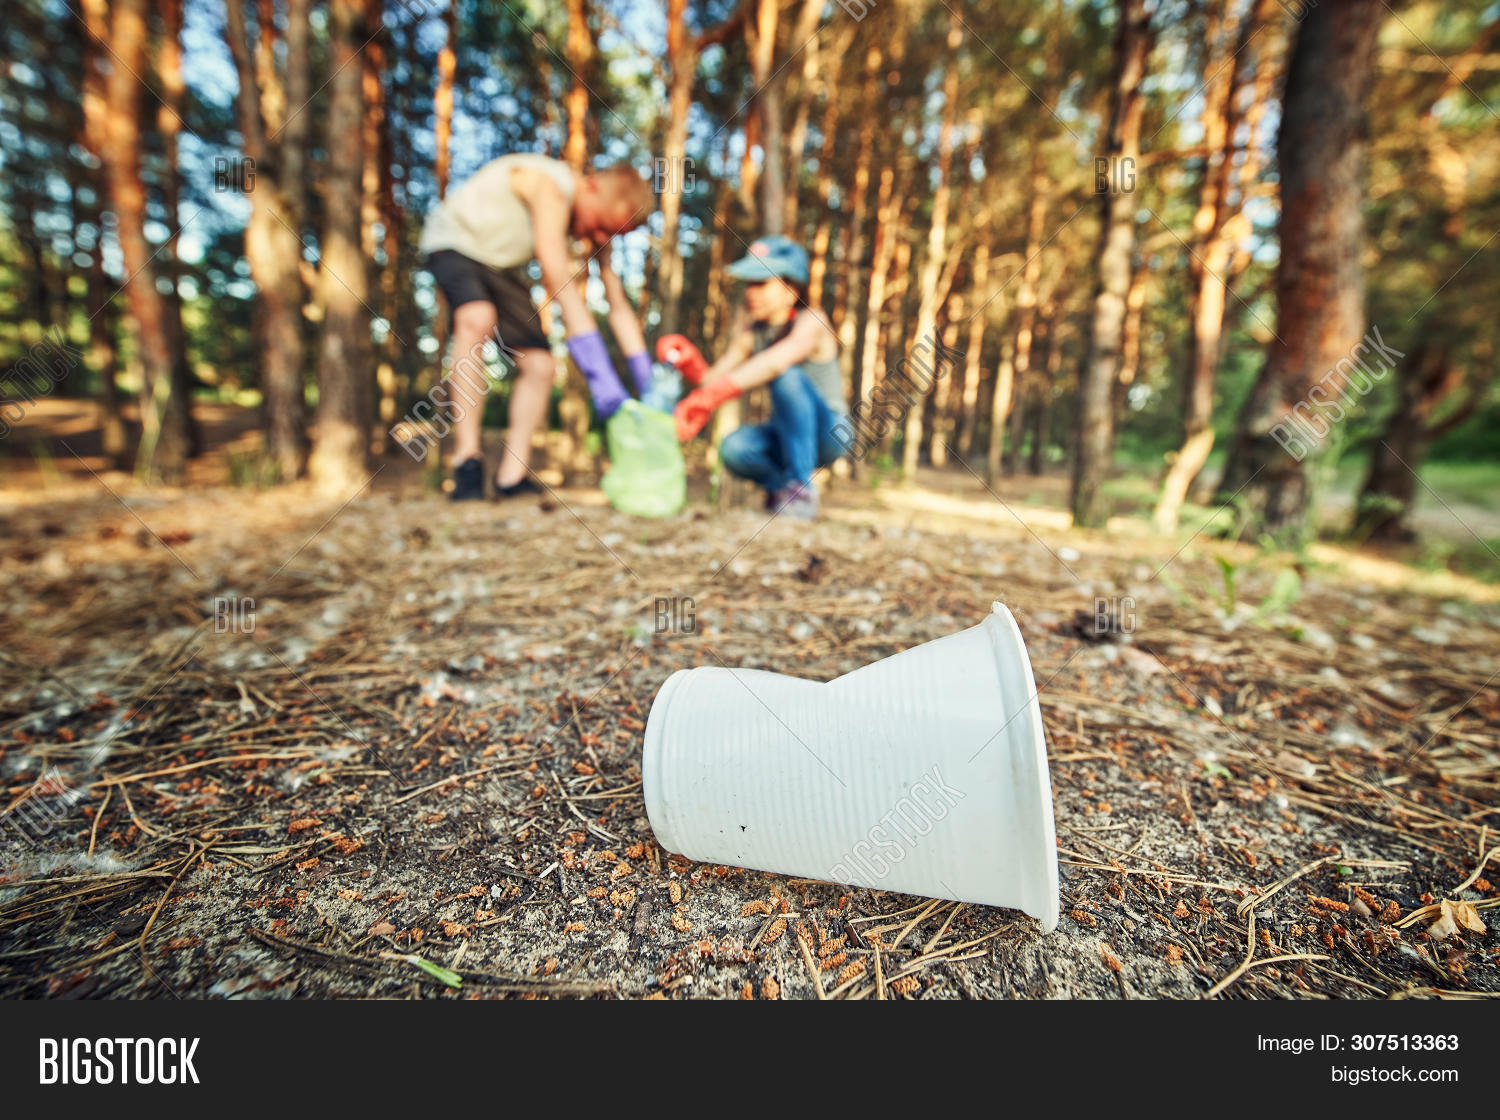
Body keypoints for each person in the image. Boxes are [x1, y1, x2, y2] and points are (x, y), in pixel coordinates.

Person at [420, 154, 655, 500]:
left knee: (542, 366)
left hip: (500, 268)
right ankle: (467, 463)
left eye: (613, 235)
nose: (601, 237)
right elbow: (554, 269)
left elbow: (616, 304)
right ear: (593, 187)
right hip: (455, 245)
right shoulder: (551, 185)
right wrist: (600, 373)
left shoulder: (579, 216)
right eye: (605, 226)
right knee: (477, 316)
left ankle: (512, 475)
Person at [669, 236, 846, 519]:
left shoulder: (812, 320)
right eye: (750, 283)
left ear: (791, 289)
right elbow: (712, 380)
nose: (752, 292)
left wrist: (711, 397)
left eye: (762, 282)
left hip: (830, 432)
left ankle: (801, 489)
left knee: (786, 375)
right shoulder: (752, 332)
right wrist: (688, 361)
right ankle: (783, 490)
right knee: (734, 448)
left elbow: (776, 363)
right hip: (786, 435)